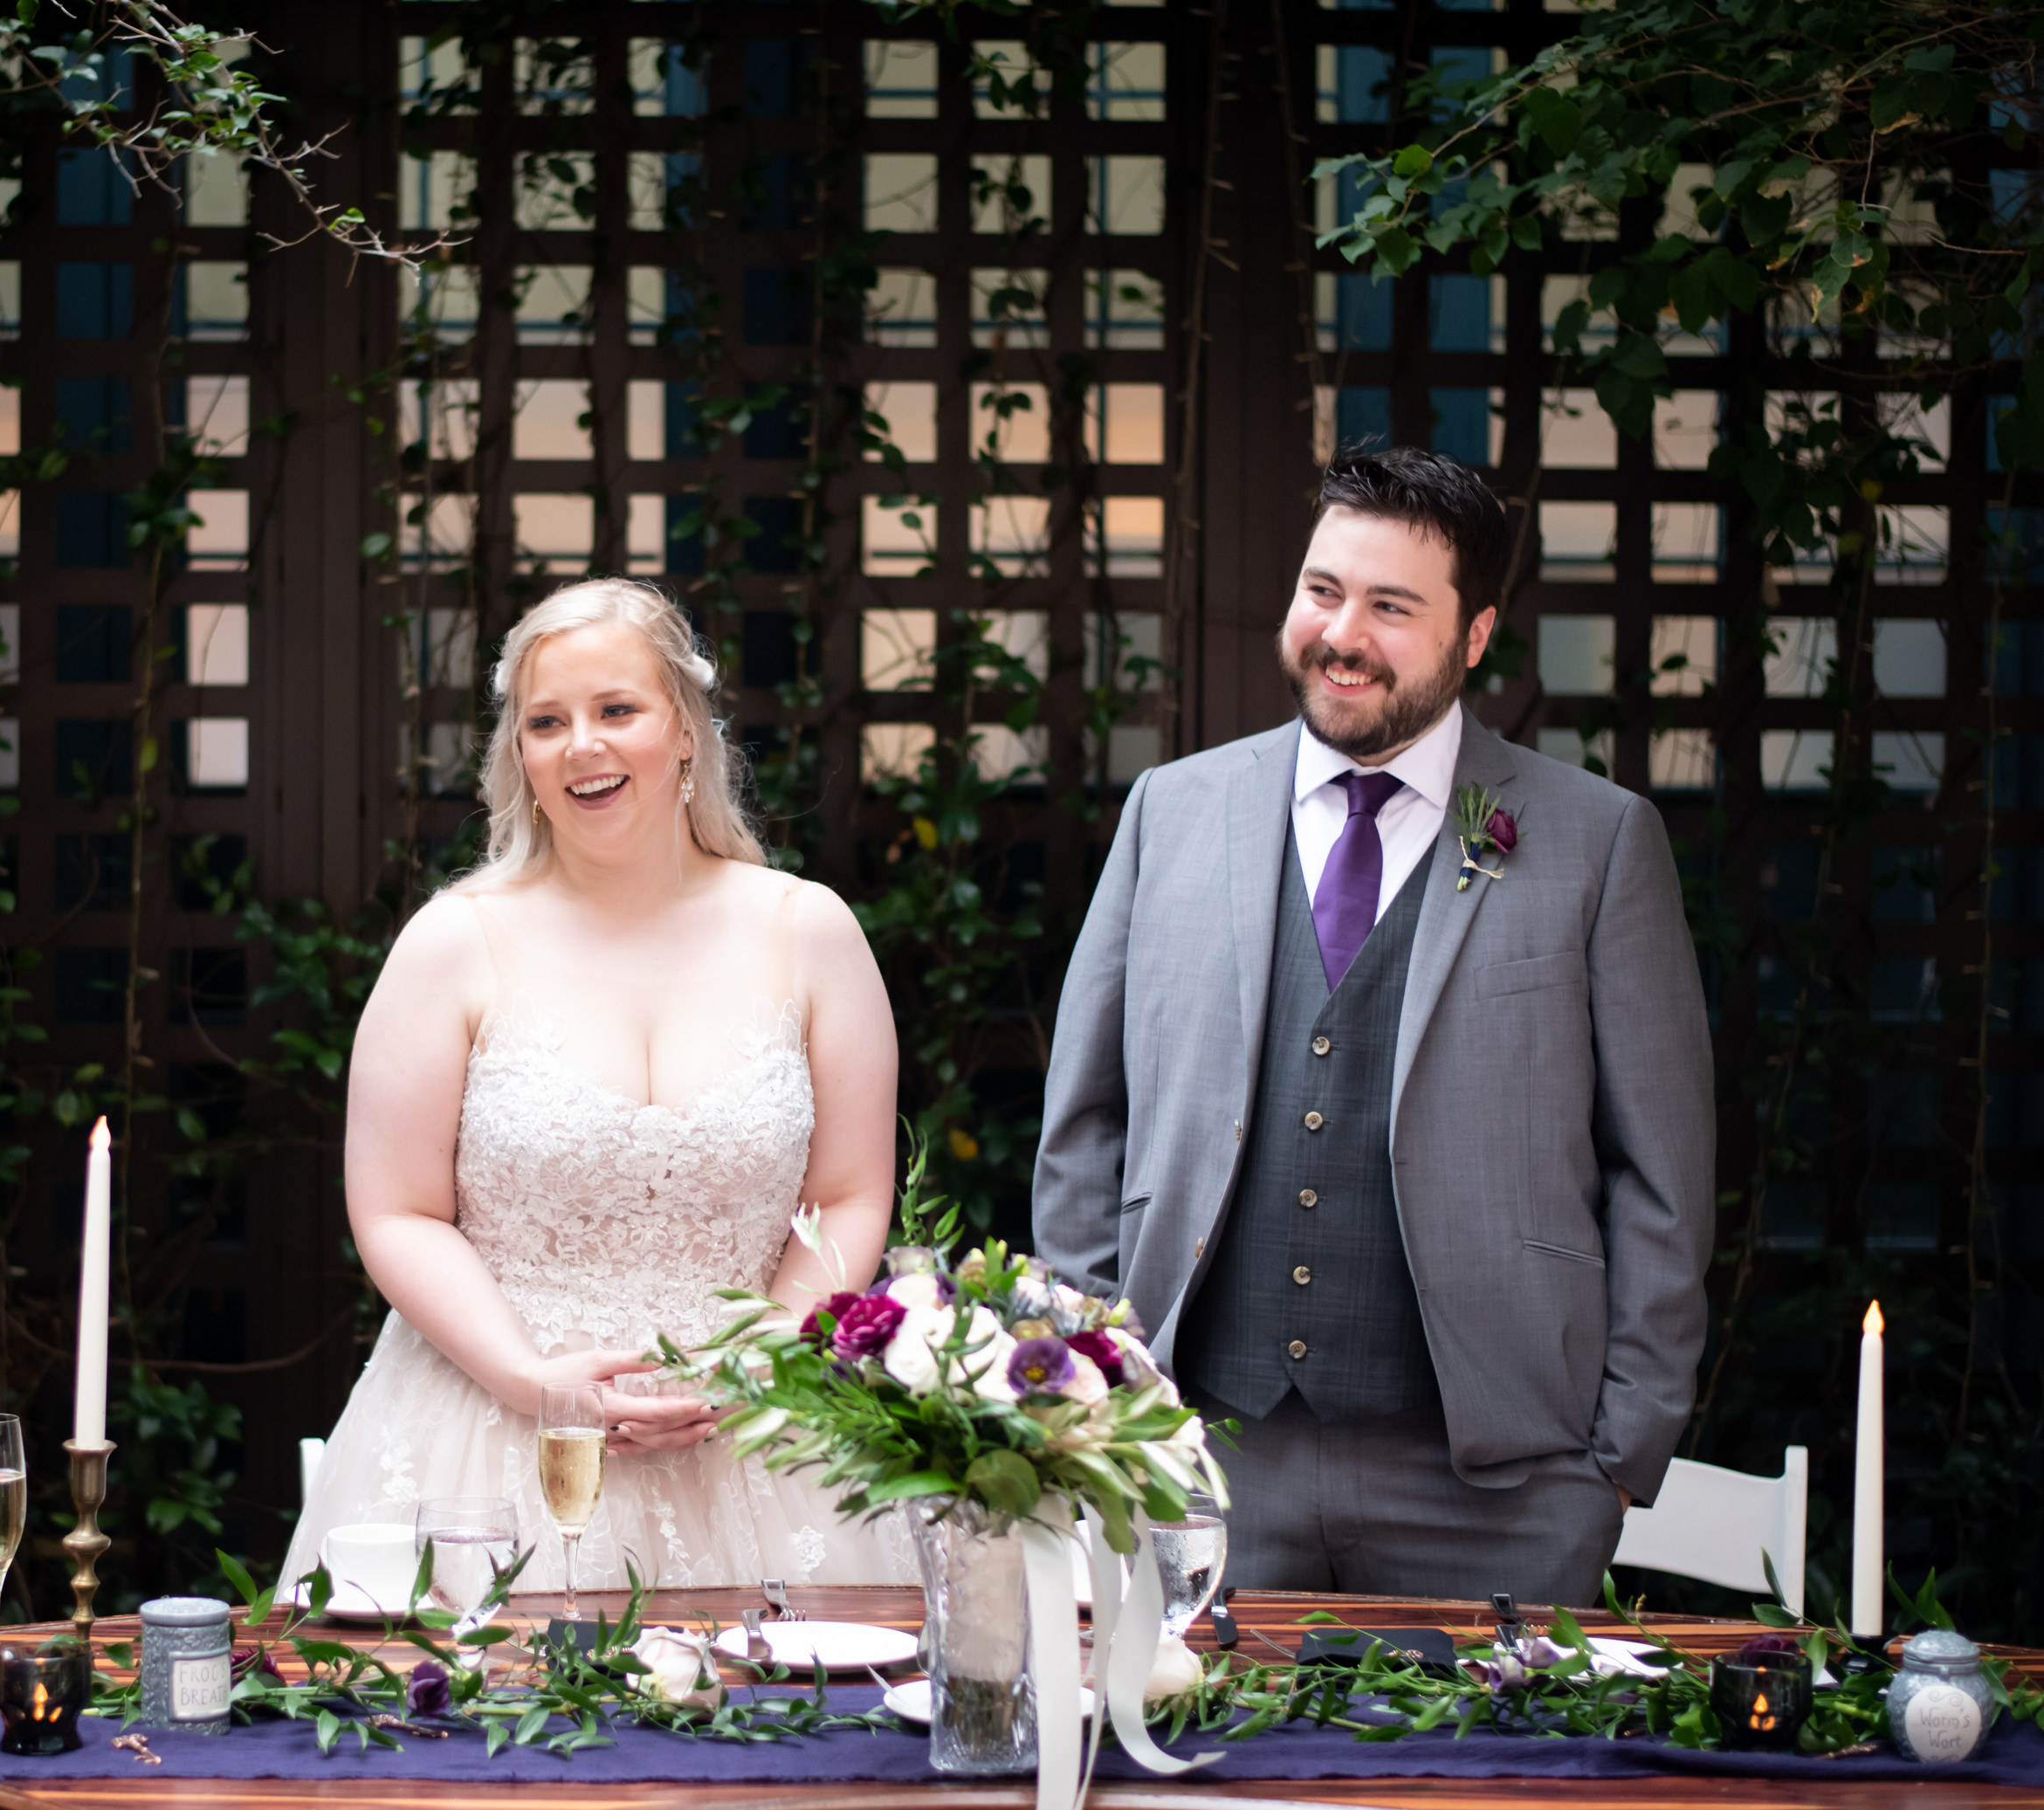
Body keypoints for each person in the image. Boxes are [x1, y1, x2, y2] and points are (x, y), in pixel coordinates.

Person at [1033, 447, 1714, 1604]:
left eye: (1391, 607)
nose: (1342, 635)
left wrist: (1613, 1460)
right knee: (1186, 1733)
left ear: (1474, 634)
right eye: (1323, 591)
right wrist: (1094, 1388)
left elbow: (1661, 1175)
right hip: (1201, 1463)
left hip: (1498, 1489)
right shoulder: (1172, 810)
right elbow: (1083, 1126)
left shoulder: (1595, 842)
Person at [279, 579, 912, 1598]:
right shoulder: (452, 943)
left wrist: (763, 1359)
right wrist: (531, 1380)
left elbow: (845, 1194)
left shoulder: (808, 930)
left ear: (685, 731)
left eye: (617, 709)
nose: (582, 745)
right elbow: (397, 1211)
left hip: (757, 1431)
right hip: (493, 1437)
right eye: (546, 721)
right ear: (519, 754)